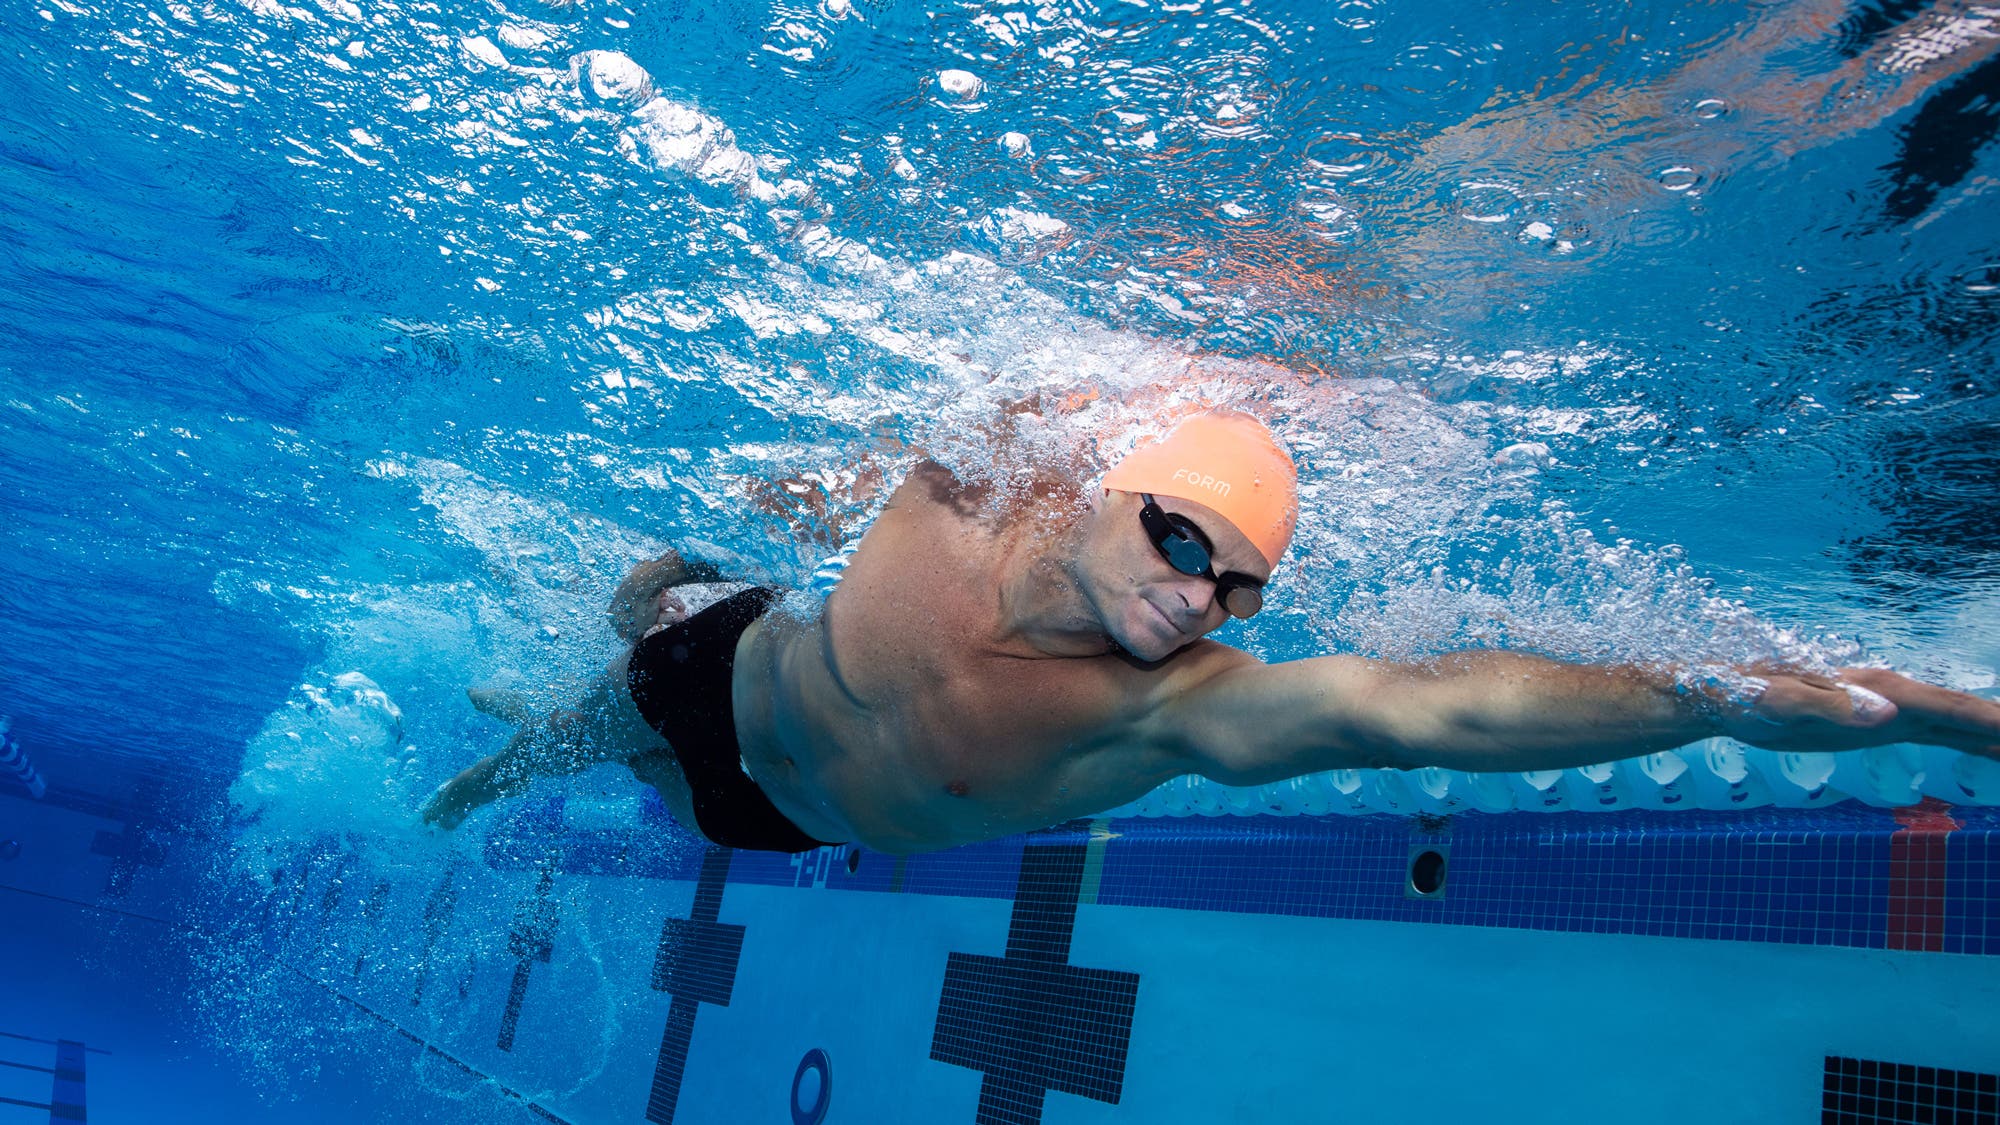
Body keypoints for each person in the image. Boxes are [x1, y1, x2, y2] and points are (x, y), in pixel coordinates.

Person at [421, 411, 2000, 854]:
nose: (1201, 597)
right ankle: (523, 735)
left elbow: (1420, 710)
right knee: (606, 685)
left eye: (1238, 584)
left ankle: (571, 727)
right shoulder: (963, 489)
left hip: (776, 818)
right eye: (1182, 539)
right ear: (1111, 495)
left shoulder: (1159, 715)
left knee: (650, 784)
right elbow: (823, 455)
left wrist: (1710, 696)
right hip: (725, 672)